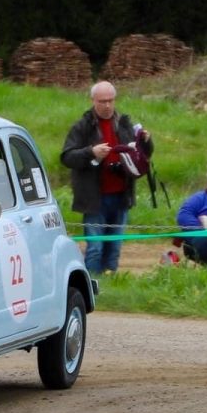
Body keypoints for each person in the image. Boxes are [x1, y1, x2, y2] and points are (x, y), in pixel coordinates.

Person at [59, 80, 153, 276]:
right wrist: (91, 152)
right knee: (95, 248)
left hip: (121, 196)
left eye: (110, 100)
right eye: (102, 101)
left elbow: (142, 155)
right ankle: (92, 285)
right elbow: (67, 157)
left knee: (114, 248)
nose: (107, 105)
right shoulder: (82, 126)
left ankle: (111, 285)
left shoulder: (125, 124)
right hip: (94, 198)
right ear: (93, 100)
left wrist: (146, 141)